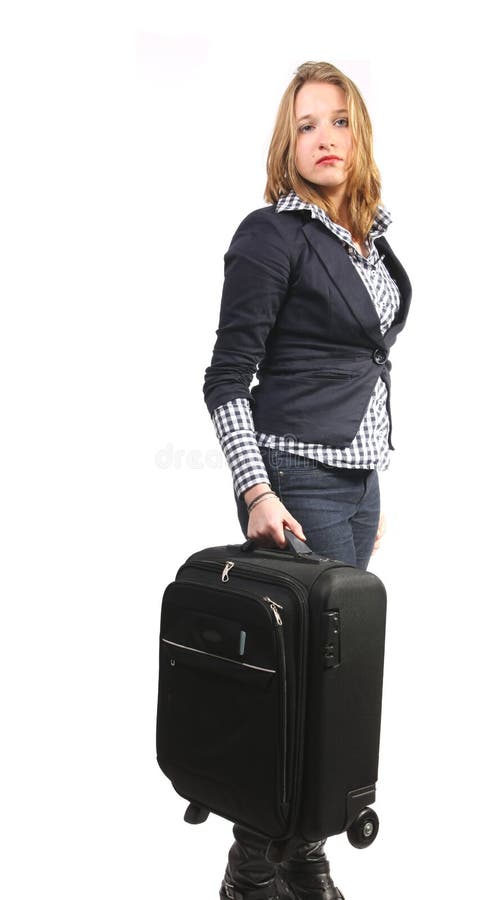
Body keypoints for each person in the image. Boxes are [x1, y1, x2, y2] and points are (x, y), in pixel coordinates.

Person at [203, 60, 412, 900]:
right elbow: (226, 380)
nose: (324, 137)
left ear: (358, 134)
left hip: (355, 489)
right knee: (305, 684)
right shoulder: (271, 234)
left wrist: (370, 477)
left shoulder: (369, 240)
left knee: (328, 683)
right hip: (292, 479)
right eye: (305, 125)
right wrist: (256, 490)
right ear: (284, 146)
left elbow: (361, 363)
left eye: (338, 121)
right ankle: (266, 866)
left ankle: (283, 858)